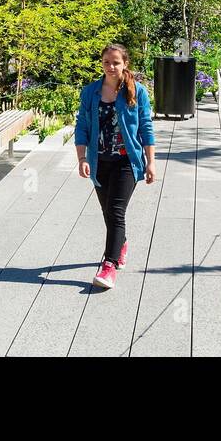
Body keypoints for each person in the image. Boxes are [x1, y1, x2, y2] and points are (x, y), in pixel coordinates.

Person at [74, 43, 157, 289]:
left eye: (116, 62)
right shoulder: (90, 92)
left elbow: (146, 127)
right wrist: (82, 158)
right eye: (107, 63)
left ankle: (109, 266)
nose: (111, 67)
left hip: (126, 162)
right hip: (99, 161)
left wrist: (151, 162)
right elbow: (82, 127)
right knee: (108, 212)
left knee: (115, 211)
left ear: (125, 64)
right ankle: (121, 244)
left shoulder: (137, 91)